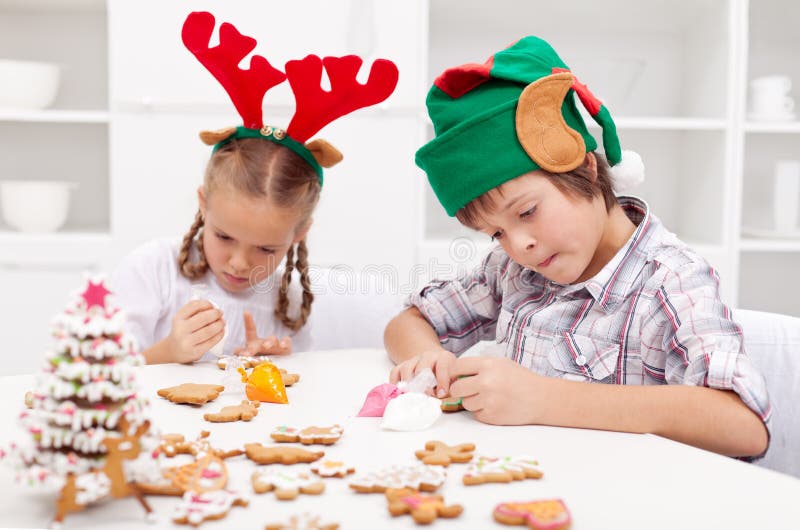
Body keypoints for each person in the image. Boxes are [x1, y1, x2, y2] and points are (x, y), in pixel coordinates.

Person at [384, 36, 771, 458]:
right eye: (496, 233)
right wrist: (427, 358)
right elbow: (408, 322)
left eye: (527, 211)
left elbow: (744, 426)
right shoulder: (514, 270)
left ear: (584, 168)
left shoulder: (671, 282)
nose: (519, 245)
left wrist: (543, 399)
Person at [112, 10, 398, 364]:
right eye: (224, 237)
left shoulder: (286, 301)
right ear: (203, 204)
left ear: (299, 233)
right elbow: (98, 379)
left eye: (265, 248)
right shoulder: (152, 271)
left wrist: (275, 363)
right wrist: (170, 351)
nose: (239, 263)